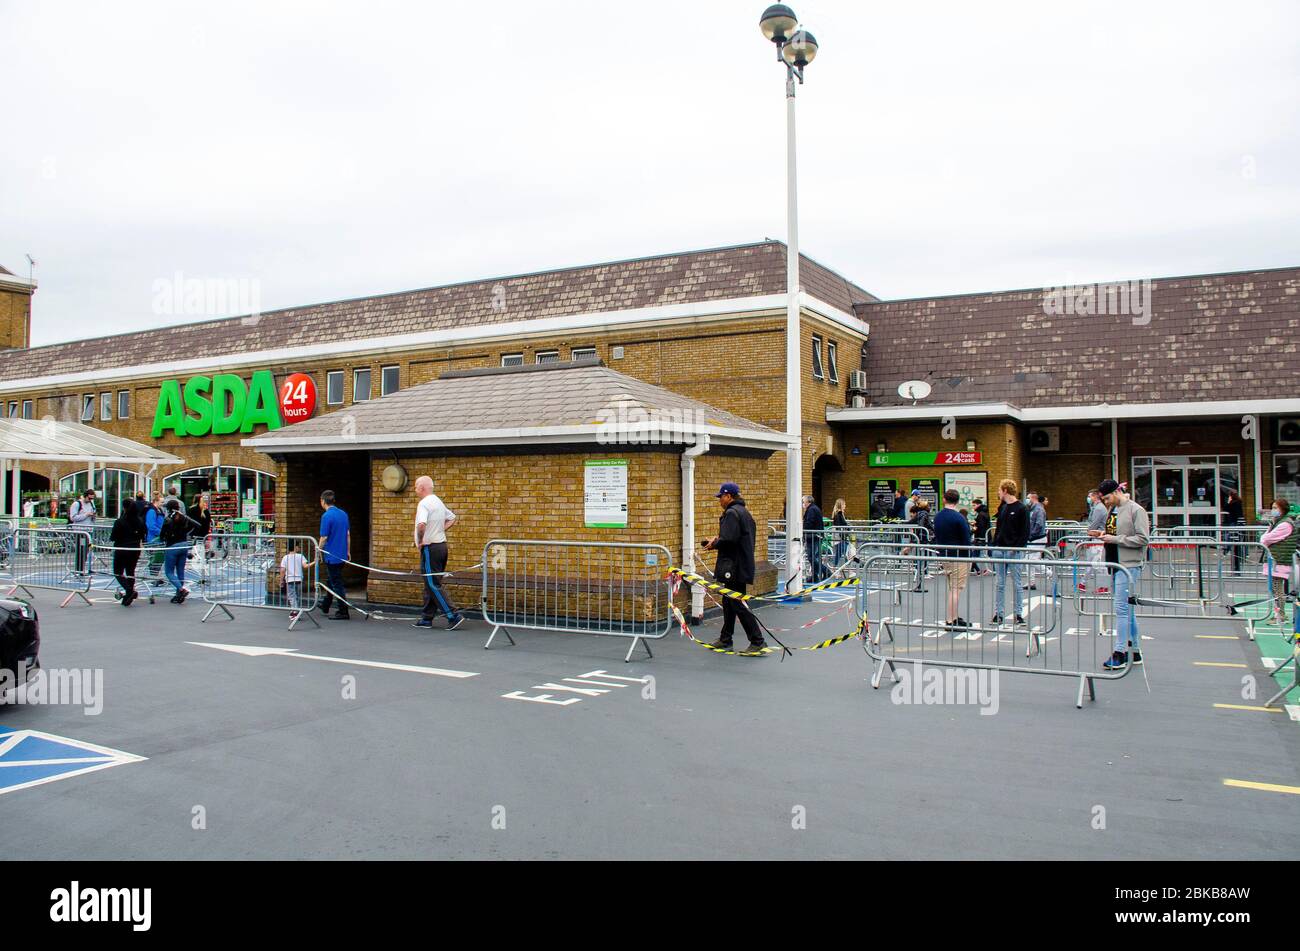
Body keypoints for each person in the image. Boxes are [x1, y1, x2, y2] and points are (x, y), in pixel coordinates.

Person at [1090, 479, 1150, 669]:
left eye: (1107, 498)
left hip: (1129, 565)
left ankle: (1120, 652)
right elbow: (1114, 533)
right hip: (1116, 563)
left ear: (1117, 492)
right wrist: (1101, 535)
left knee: (1122, 609)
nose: (1106, 502)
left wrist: (1115, 539)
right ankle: (1136, 651)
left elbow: (1143, 539)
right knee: (1128, 611)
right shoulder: (1112, 510)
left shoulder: (1136, 510)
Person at [702, 482, 767, 653]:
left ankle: (757, 641)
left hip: (734, 566)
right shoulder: (745, 513)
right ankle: (726, 638)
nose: (719, 500)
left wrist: (714, 543)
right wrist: (718, 540)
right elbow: (735, 537)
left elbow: (728, 540)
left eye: (721, 497)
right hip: (741, 564)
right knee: (729, 600)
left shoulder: (732, 513)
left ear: (729, 496)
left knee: (737, 602)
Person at [412, 476, 465, 631]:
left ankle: (453, 615)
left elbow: (421, 525)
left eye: (416, 487)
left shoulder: (423, 504)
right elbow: (452, 518)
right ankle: (427, 618)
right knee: (431, 583)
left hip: (430, 548)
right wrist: (440, 530)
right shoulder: (437, 501)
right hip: (442, 546)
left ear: (422, 488)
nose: (415, 490)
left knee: (432, 583)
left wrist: (421, 540)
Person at [990, 479, 1029, 625]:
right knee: (999, 583)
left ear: (1005, 490)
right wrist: (994, 545)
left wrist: (1017, 547)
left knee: (1017, 583)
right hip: (1000, 549)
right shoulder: (1003, 507)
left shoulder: (1021, 508)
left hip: (1014, 551)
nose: (998, 493)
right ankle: (998, 614)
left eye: (1000, 490)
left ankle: (1018, 614)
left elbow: (1025, 531)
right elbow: (999, 527)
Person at [934, 489, 974, 628]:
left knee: (952, 588)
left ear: (944, 499)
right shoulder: (959, 518)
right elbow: (966, 539)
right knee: (956, 589)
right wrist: (970, 557)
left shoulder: (938, 516)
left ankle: (954, 617)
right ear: (957, 501)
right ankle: (951, 620)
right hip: (959, 556)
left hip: (944, 555)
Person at [1260, 499, 1296, 627]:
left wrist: (1264, 539)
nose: (1273, 510)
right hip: (1276, 559)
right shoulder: (1276, 522)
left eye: (1276, 507)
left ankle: (1281, 615)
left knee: (1277, 589)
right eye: (1272, 507)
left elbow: (1267, 538)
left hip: (1279, 559)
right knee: (1275, 588)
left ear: (1283, 509)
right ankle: (1279, 614)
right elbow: (1265, 538)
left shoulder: (1285, 524)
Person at [317, 490, 351, 620]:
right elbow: (348, 534)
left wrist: (318, 550)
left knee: (336, 583)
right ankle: (326, 604)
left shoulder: (326, 516)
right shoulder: (343, 514)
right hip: (342, 554)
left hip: (332, 555)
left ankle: (343, 610)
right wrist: (348, 551)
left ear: (323, 501)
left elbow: (324, 537)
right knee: (331, 580)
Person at [109, 506, 144, 607]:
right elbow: (143, 534)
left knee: (118, 571)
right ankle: (130, 592)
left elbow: (113, 536)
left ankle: (129, 590)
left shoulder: (120, 522)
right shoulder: (140, 521)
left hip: (122, 549)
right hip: (135, 548)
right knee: (130, 571)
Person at [160, 499, 192, 603]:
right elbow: (190, 528)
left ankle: (181, 590)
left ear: (169, 508)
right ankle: (178, 594)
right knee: (180, 571)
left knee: (169, 572)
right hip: (184, 545)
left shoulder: (169, 519)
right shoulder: (183, 518)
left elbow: (162, 534)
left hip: (173, 546)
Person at [1080, 488, 1110, 594]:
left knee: (1097, 563)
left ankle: (1104, 586)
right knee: (1091, 562)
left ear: (1095, 496)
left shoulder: (1098, 509)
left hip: (1098, 538)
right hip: (1095, 538)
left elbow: (1094, 524)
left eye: (1090, 496)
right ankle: (1082, 583)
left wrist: (1087, 535)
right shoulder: (1096, 507)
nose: (1088, 498)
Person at [68, 489, 97, 574]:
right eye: (89, 498)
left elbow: (93, 513)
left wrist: (93, 516)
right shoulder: (77, 504)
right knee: (81, 550)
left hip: (89, 530)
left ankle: (88, 568)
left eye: (92, 498)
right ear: (85, 496)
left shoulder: (91, 503)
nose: (91, 500)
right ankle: (79, 569)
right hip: (81, 531)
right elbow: (73, 518)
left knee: (88, 550)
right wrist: (86, 515)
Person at [1024, 491, 1048, 591]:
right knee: (1028, 560)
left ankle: (1050, 573)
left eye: (1028, 498)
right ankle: (1031, 582)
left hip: (1037, 538)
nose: (1026, 500)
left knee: (1033, 560)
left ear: (1033, 498)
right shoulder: (1031, 509)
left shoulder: (1039, 509)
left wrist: (1031, 534)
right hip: (1033, 538)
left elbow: (1039, 524)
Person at [280, 539, 309, 623]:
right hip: (299, 579)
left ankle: (294, 612)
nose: (299, 548)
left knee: (292, 596)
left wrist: (281, 580)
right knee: (297, 596)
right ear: (296, 547)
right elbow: (305, 566)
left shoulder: (285, 557)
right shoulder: (300, 556)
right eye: (299, 546)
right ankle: (295, 611)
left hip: (289, 580)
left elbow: (282, 570)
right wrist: (314, 562)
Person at [802, 495, 827, 584]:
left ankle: (825, 571)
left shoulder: (811, 510)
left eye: (803, 502)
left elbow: (809, 523)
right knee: (813, 557)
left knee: (811, 557)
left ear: (808, 502)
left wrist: (802, 528)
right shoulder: (813, 508)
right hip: (814, 536)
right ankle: (815, 576)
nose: (802, 504)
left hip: (813, 536)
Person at [1223, 488, 1246, 573]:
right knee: (1238, 539)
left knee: (1229, 537)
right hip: (1239, 522)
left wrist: (1228, 501)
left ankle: (1227, 550)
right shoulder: (1239, 502)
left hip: (1235, 522)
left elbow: (1226, 508)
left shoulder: (1234, 503)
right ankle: (1240, 554)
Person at [972, 499, 992, 575]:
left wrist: (974, 527)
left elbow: (981, 526)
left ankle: (978, 569)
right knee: (988, 553)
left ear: (978, 505)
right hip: (985, 536)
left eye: (974, 505)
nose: (973, 507)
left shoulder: (981, 514)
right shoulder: (984, 512)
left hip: (981, 537)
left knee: (974, 554)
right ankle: (991, 569)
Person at [830, 498, 849, 568]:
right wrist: (844, 536)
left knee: (844, 552)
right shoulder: (838, 514)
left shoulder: (839, 514)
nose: (845, 506)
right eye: (844, 504)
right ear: (840, 505)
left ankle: (846, 569)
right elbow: (839, 527)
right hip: (840, 537)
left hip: (841, 536)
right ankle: (836, 568)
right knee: (843, 552)